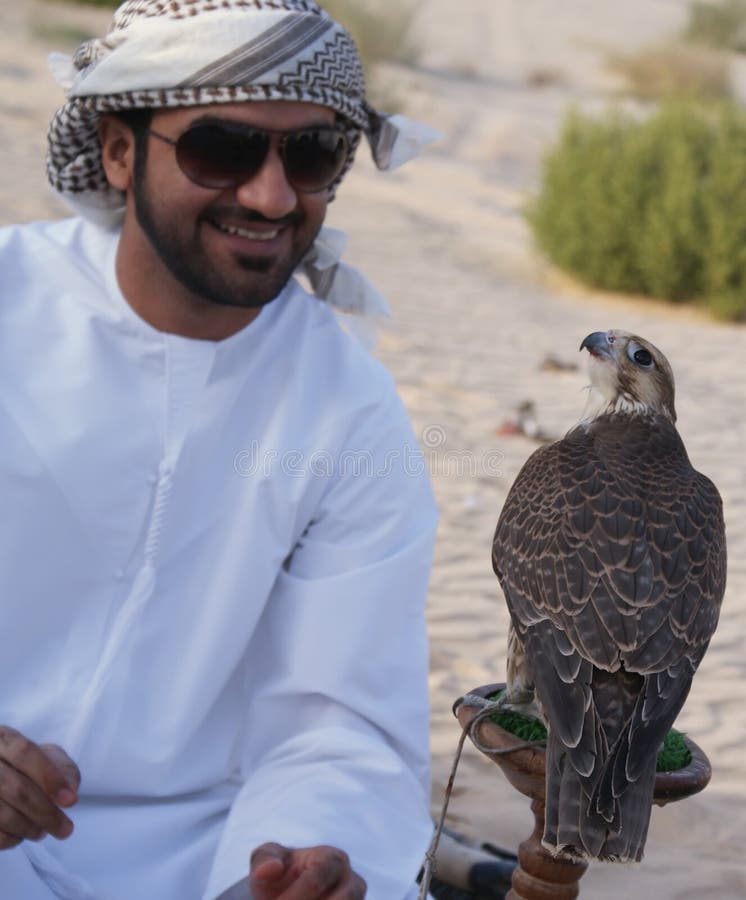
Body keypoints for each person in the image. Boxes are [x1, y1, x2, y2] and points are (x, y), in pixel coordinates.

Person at [0, 1, 439, 898]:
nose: (271, 196)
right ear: (121, 151)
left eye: (311, 156)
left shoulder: (352, 409)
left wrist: (296, 859)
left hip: (204, 852)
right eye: (221, 149)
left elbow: (340, 717)